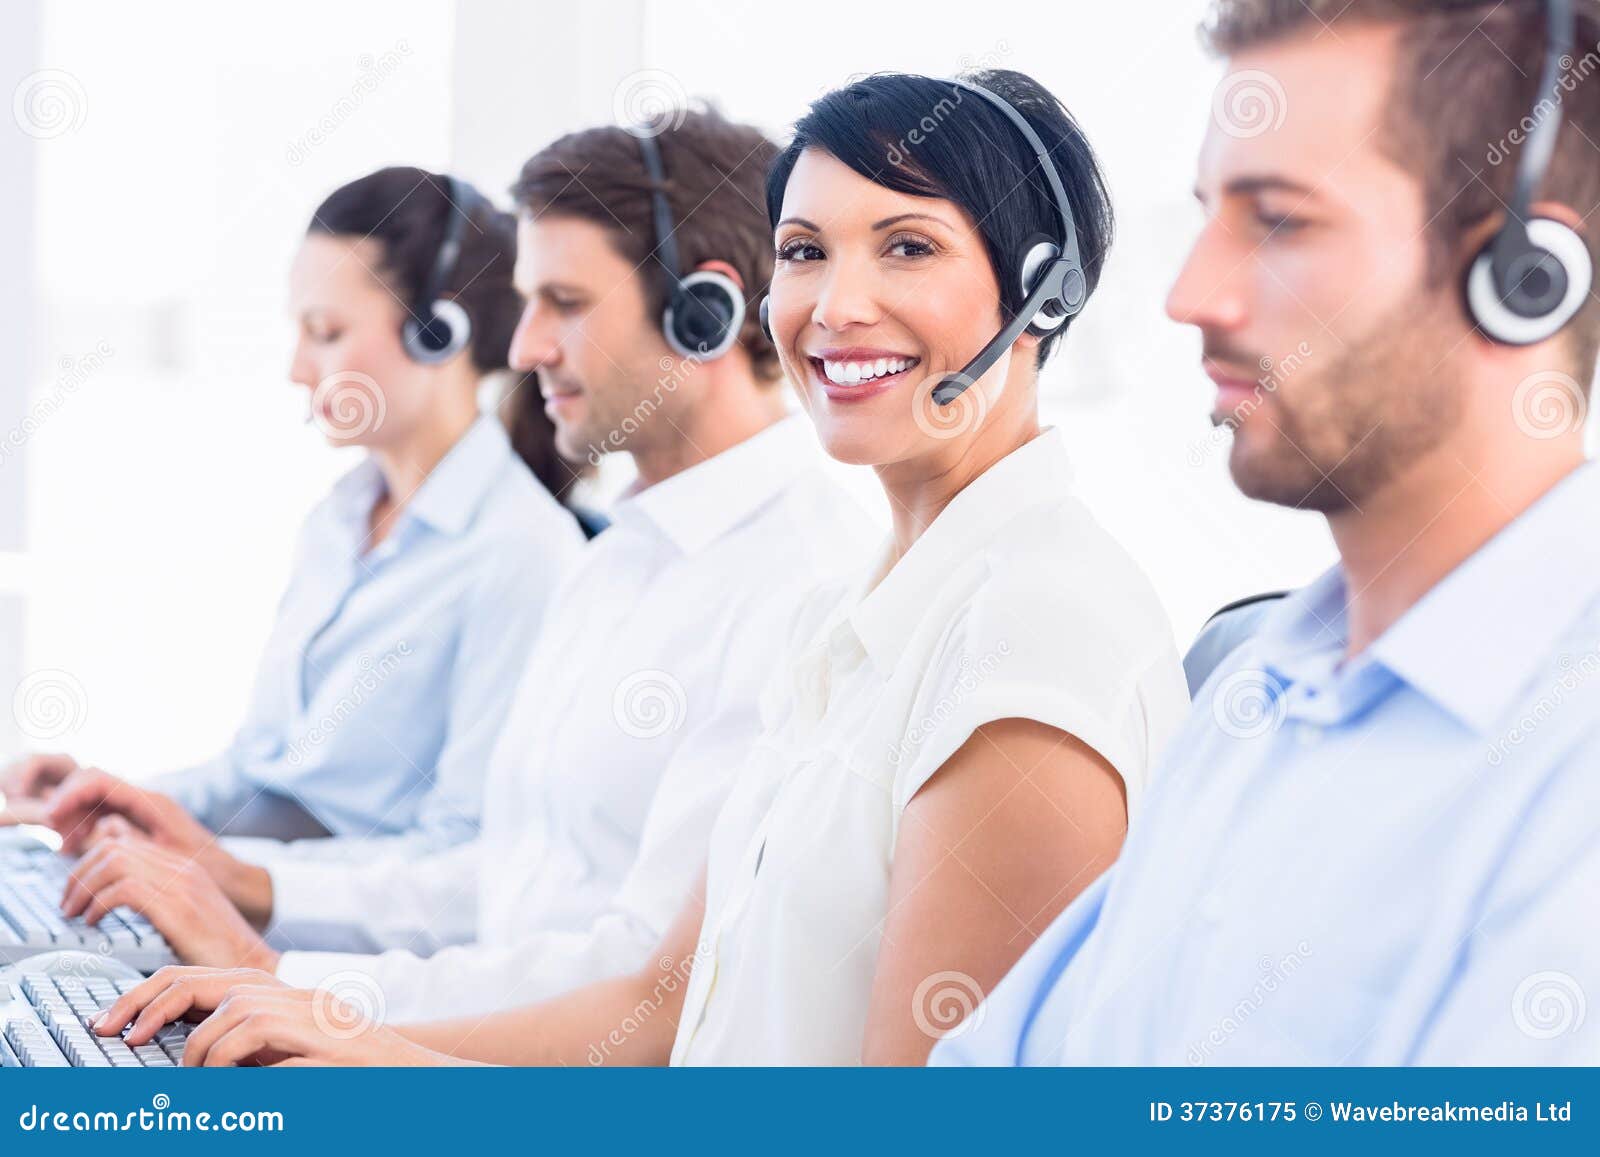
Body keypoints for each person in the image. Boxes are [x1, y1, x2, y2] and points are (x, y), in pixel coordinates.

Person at [90, 69, 1189, 1066]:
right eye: (804, 250)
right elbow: (670, 1000)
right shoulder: (847, 615)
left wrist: (353, 1034)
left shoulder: (1033, 636)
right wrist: (331, 1024)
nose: (835, 304)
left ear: (1041, 294)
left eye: (906, 245)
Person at [49, 111, 880, 999]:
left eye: (564, 303)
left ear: (701, 313)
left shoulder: (806, 582)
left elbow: (645, 994)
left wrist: (287, 982)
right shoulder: (622, 559)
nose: (522, 349)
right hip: (456, 1040)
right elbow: (507, 880)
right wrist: (246, 893)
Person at [927, 0, 1600, 1066]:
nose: (1190, 294)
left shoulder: (1569, 771)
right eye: (1207, 213)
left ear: (1523, 277)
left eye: (1277, 220)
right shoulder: (1253, 696)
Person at [1, 167, 588, 873]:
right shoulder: (336, 521)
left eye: (326, 331)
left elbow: (464, 859)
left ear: (438, 332)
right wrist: (105, 799)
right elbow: (259, 774)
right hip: (244, 910)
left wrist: (227, 878)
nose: (298, 369)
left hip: (338, 961)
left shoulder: (519, 554)